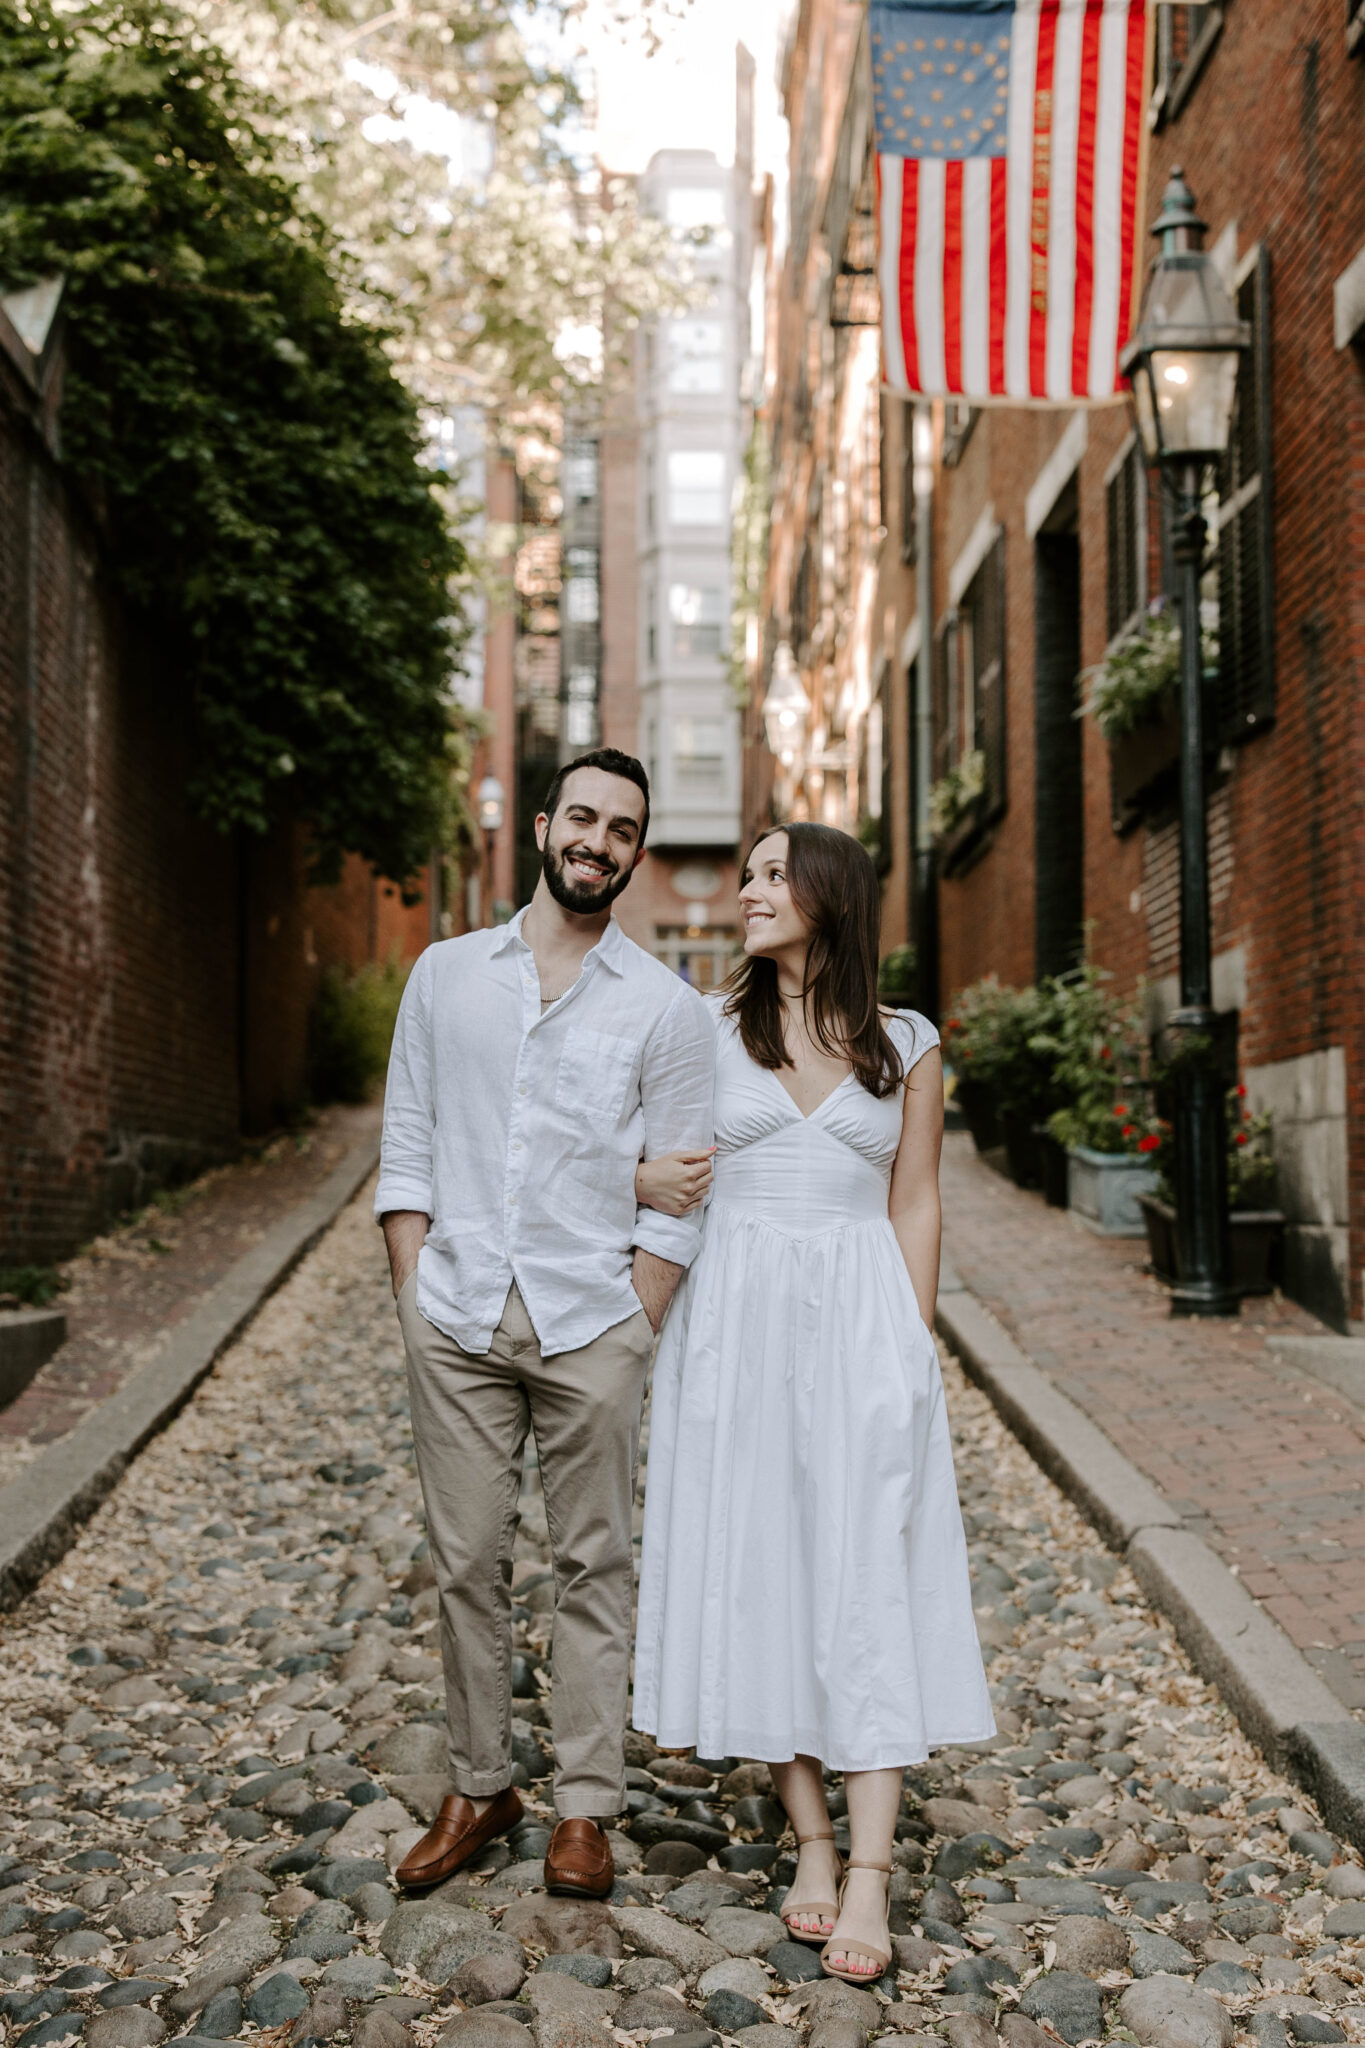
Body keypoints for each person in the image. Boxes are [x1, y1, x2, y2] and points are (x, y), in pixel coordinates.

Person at [633, 823, 993, 1981]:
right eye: (749, 872)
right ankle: (814, 1842)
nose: (750, 890)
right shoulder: (702, 1029)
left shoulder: (908, 1042)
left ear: (832, 895)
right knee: (766, 1567)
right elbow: (636, 1160)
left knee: (864, 1572)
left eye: (774, 873)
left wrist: (911, 1341)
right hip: (730, 1329)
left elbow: (918, 1200)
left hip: (860, 1325)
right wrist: (638, 1188)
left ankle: (876, 1874)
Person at [376, 749, 714, 1900]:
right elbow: (410, 1137)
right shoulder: (445, 975)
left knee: (595, 1562)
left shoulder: (664, 1008)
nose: (598, 841)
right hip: (460, 1310)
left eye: (623, 827)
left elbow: (685, 1186)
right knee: (468, 1559)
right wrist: (413, 1284)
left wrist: (641, 1312)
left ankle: (584, 1805)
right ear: (543, 825)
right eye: (584, 816)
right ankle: (479, 1781)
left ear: (635, 850)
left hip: (591, 1322)